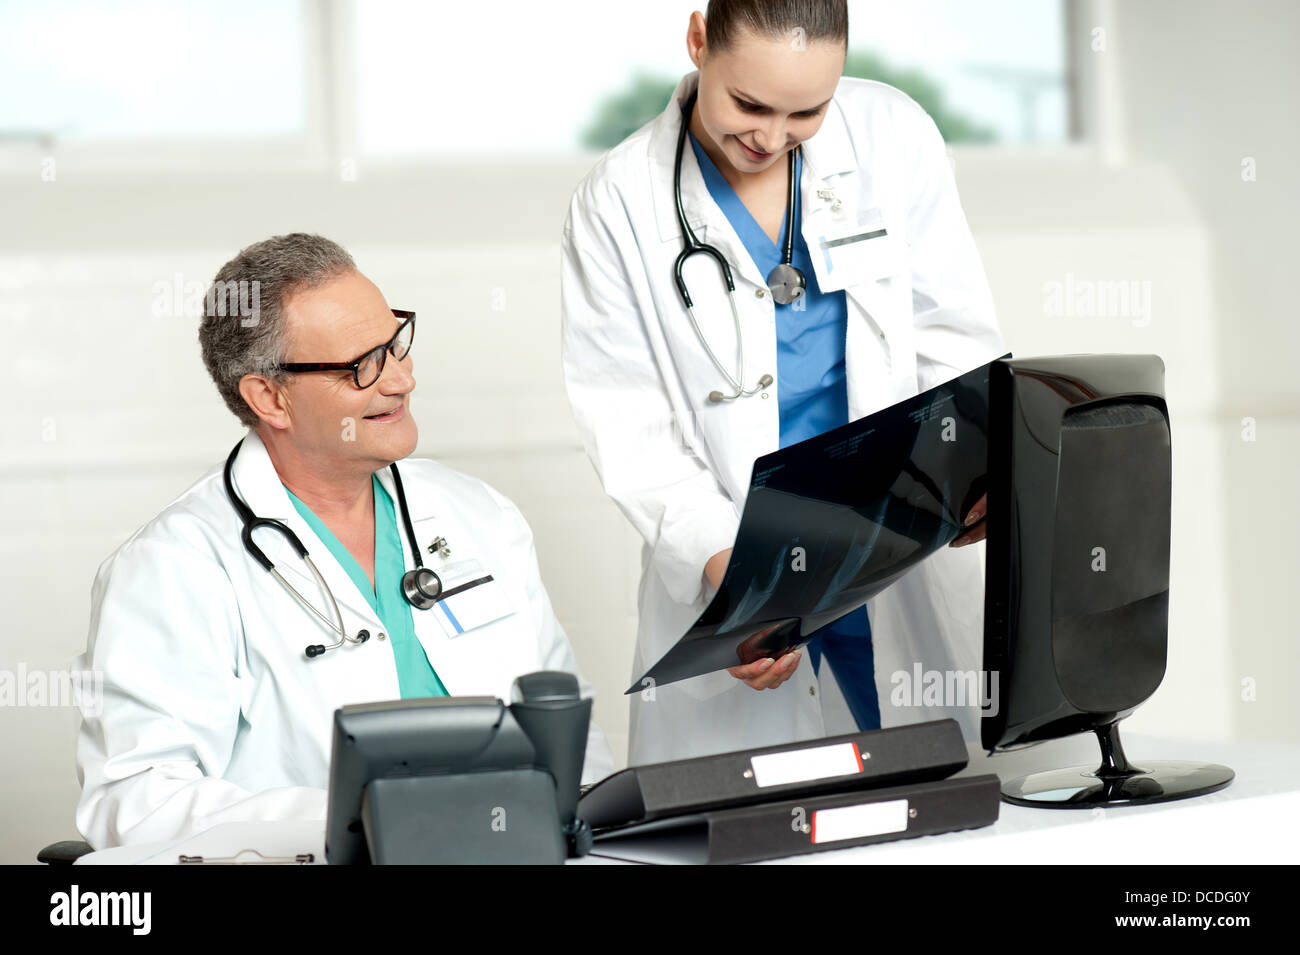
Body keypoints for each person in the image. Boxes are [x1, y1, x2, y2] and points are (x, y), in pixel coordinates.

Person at [560, 0, 1004, 765]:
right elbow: (631, 426)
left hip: (899, 542)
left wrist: (977, 468)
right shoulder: (618, 201)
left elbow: (952, 336)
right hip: (742, 554)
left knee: (941, 807)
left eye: (807, 111)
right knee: (759, 824)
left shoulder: (892, 136)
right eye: (749, 104)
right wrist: (734, 579)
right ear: (698, 40)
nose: (769, 138)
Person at [75, 233, 613, 848]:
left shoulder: (479, 514)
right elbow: (138, 799)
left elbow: (568, 725)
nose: (402, 380)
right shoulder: (174, 567)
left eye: (396, 343)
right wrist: (368, 821)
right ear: (270, 397)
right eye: (363, 366)